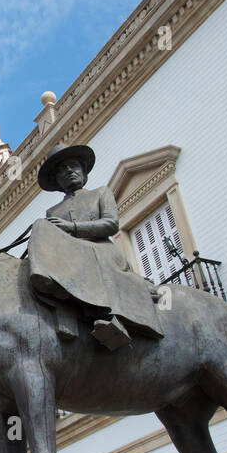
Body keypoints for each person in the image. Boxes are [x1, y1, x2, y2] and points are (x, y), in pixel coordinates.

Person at [27, 143, 163, 349]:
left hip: (101, 251)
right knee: (39, 227)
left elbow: (110, 224)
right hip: (73, 258)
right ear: (57, 181)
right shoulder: (53, 211)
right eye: (62, 170)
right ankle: (54, 294)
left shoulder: (100, 193)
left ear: (83, 170)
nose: (69, 172)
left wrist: (72, 227)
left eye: (73, 166)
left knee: (89, 257)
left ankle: (110, 316)